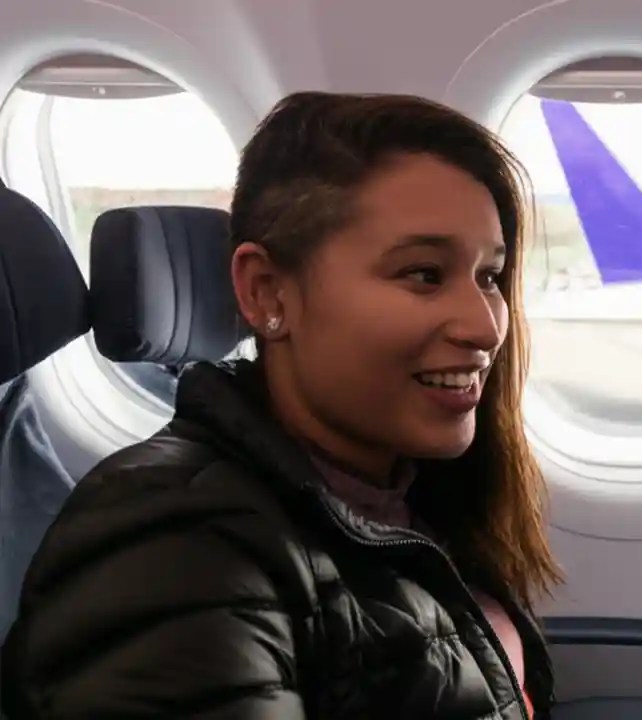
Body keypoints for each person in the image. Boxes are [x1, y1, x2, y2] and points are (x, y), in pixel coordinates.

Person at [1, 91, 562, 718]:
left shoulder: (399, 493)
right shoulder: (176, 552)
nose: (485, 327)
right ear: (267, 291)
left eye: (489, 276)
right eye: (424, 275)